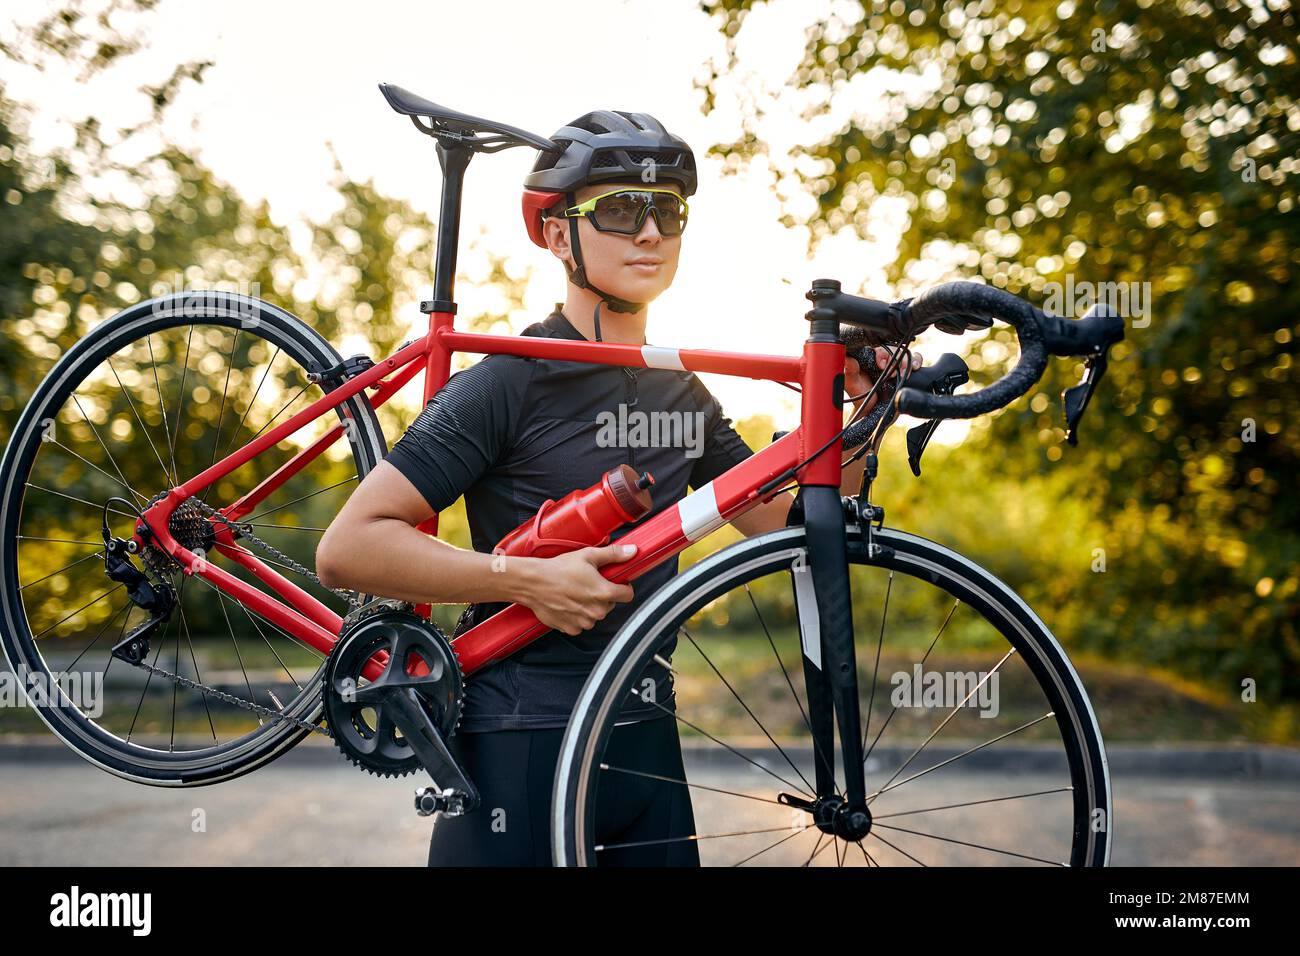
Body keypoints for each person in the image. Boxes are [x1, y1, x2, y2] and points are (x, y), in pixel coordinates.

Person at [316, 109, 918, 866]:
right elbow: (349, 548)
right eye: (620, 209)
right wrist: (525, 578)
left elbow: (782, 526)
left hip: (643, 738)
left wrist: (859, 412)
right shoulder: (509, 377)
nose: (649, 233)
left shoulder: (680, 392)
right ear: (560, 233)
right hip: (521, 742)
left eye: (667, 210)